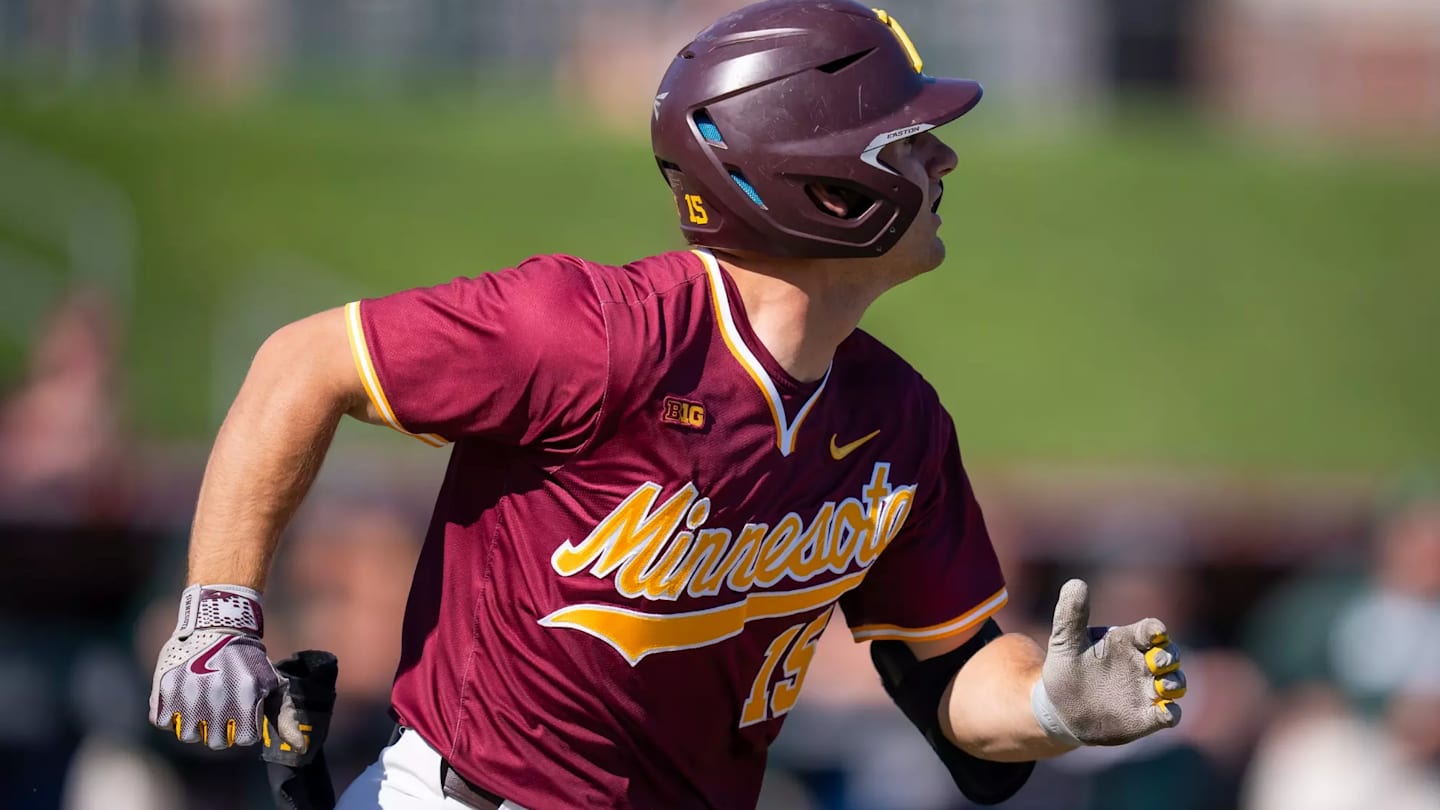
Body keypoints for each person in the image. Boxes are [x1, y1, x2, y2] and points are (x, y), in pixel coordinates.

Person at [147, 2, 1188, 808]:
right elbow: (305, 359)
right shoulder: (591, 332)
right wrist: (218, 612)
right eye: (909, 141)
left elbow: (953, 673)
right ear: (824, 186)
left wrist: (1057, 705)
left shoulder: (898, 420)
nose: (945, 157)